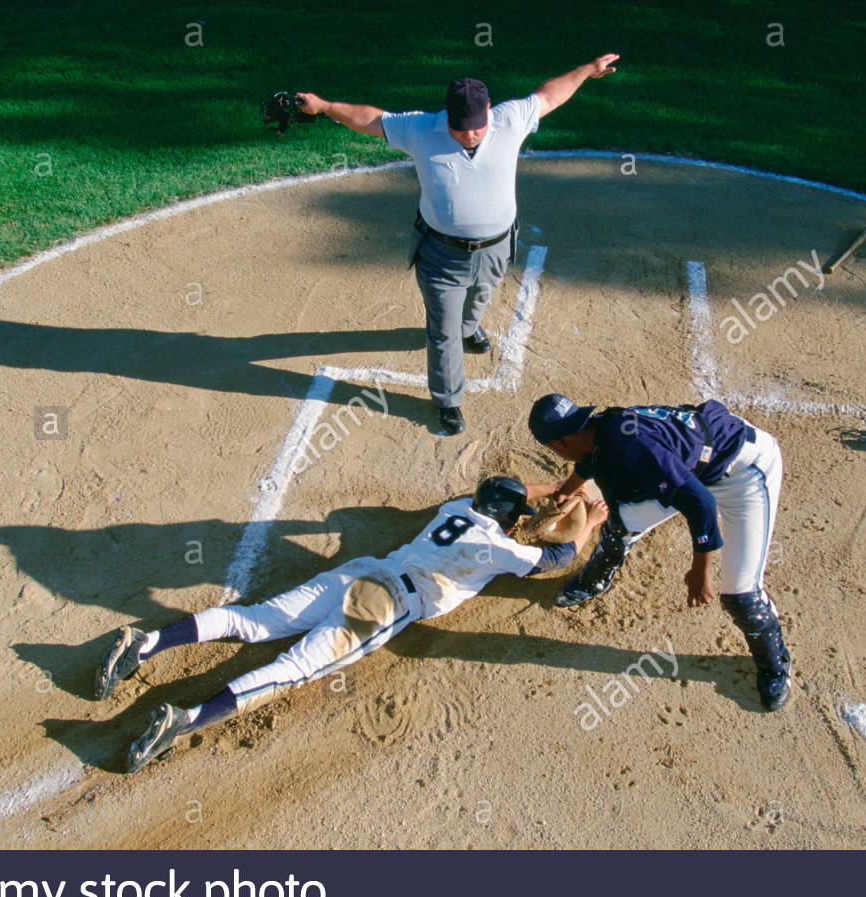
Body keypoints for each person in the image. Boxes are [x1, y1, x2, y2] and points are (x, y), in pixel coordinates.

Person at [97, 476, 608, 771]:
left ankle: (147, 642)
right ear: (510, 518)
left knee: (254, 620)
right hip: (385, 604)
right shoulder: (500, 546)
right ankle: (187, 718)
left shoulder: (457, 507)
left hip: (362, 570)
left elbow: (501, 494)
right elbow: (560, 555)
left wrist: (547, 492)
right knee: (294, 668)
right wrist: (590, 515)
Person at [295, 54, 619, 436]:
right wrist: (326, 107)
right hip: (441, 256)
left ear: (488, 114)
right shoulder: (420, 128)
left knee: (480, 299)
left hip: (497, 248)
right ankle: (448, 400)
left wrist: (586, 70)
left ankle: (470, 327)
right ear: (446, 115)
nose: (469, 135)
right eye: (460, 128)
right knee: (442, 330)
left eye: (476, 127)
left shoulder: (510, 119)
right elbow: (372, 119)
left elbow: (547, 97)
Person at [526, 395, 792, 711]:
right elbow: (589, 459)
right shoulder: (598, 429)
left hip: (744, 472)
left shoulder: (634, 449)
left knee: (741, 596)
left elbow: (701, 504)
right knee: (622, 520)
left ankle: (775, 664)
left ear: (559, 445)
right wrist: (569, 488)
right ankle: (595, 580)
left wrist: (699, 572)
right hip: (694, 466)